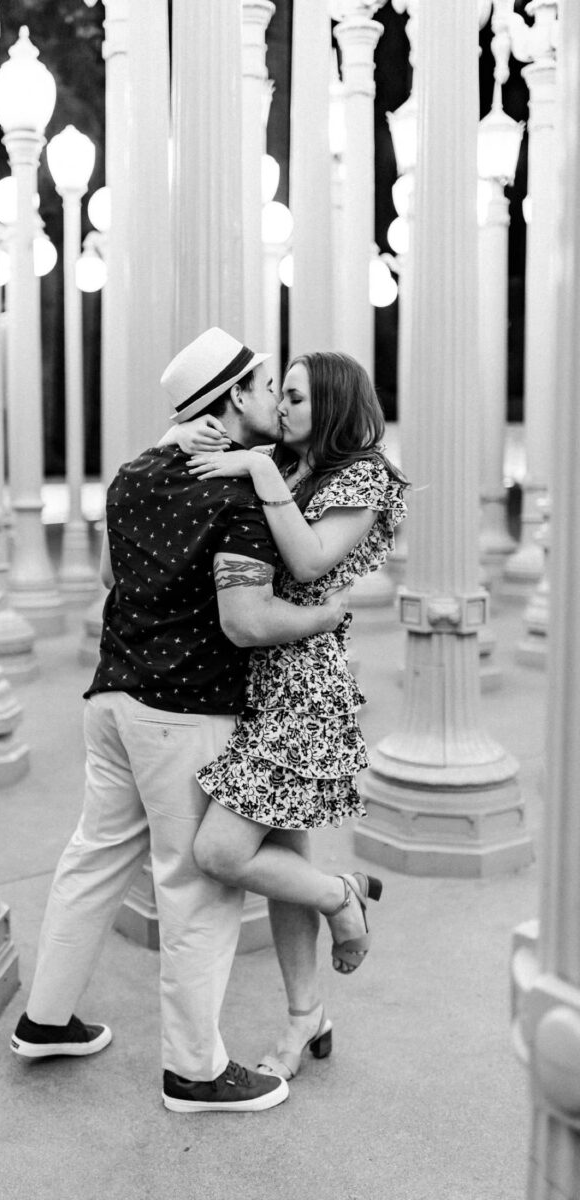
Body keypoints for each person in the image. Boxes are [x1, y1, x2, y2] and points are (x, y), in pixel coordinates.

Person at [9, 327, 356, 1114]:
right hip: (184, 711)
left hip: (111, 699)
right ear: (232, 398)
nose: (273, 400)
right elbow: (245, 622)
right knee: (195, 889)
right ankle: (195, 1072)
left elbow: (110, 575)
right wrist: (324, 615)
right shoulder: (237, 495)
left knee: (93, 858)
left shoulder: (133, 474)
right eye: (263, 387)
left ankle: (45, 1019)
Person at [172, 349, 407, 1081]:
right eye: (282, 394)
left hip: (303, 686)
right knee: (283, 856)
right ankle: (308, 1015)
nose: (281, 406)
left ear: (331, 404)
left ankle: (343, 896)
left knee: (221, 852)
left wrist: (257, 468)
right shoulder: (283, 462)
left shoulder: (363, 475)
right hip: (253, 675)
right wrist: (195, 441)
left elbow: (307, 564)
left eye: (296, 397)